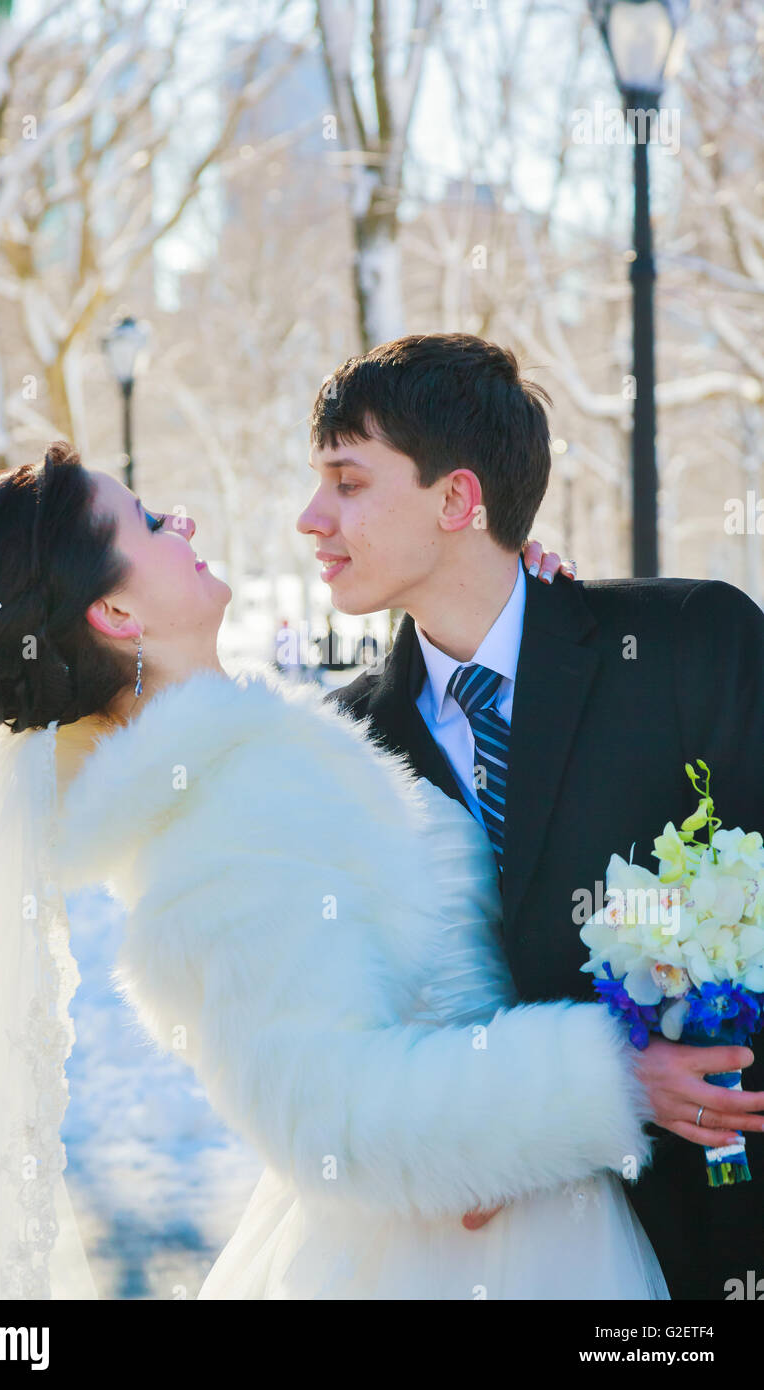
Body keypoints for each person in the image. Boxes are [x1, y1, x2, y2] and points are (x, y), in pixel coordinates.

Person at [0, 441, 669, 1300]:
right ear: (115, 613)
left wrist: (508, 608)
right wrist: (616, 1074)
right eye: (150, 522)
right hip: (458, 1260)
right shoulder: (212, 842)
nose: (180, 519)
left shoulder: (258, 760)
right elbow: (338, 1118)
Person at [306, 332, 764, 1301]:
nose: (311, 518)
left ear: (457, 500)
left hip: (716, 1224)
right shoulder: (337, 747)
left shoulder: (692, 642)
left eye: (346, 481)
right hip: (475, 1245)